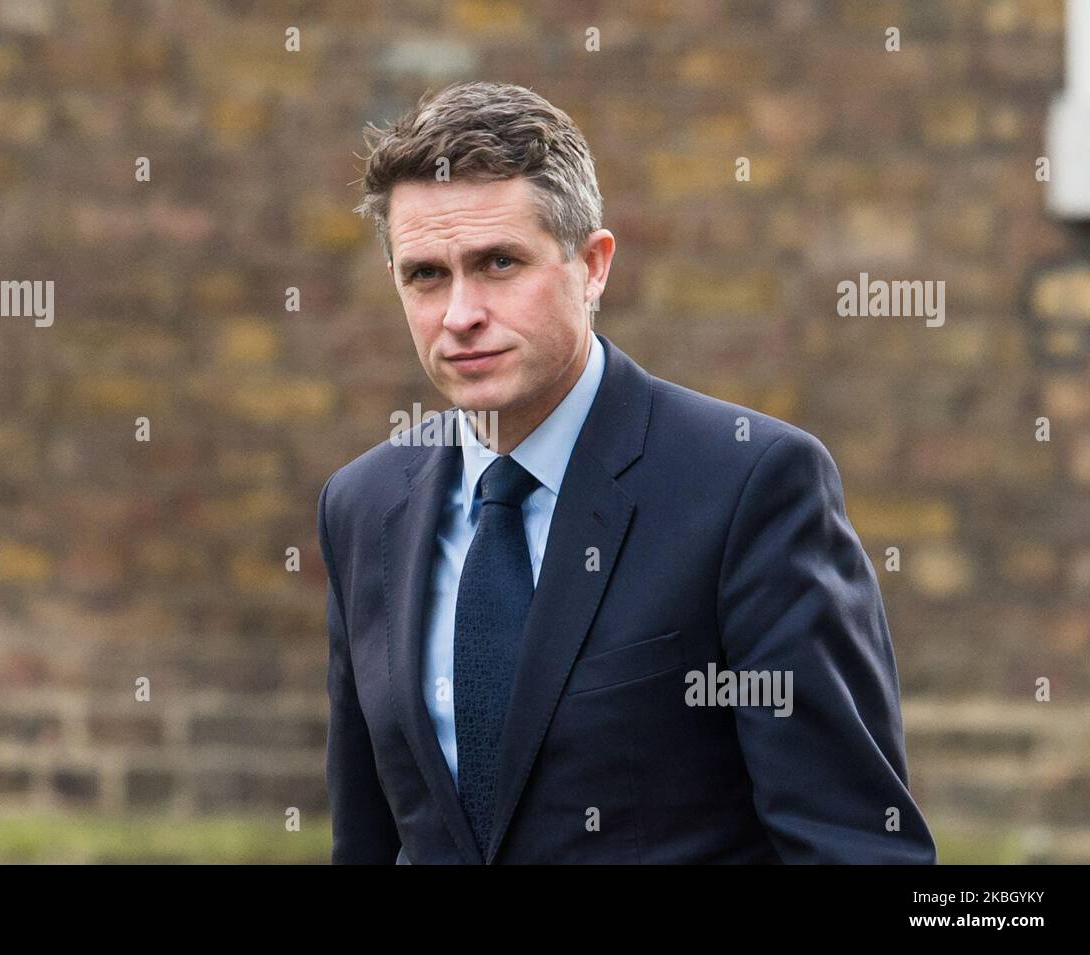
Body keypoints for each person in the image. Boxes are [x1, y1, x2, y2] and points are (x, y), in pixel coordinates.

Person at [317, 81, 937, 864]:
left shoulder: (750, 486)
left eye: (499, 262)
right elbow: (368, 841)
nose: (460, 312)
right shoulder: (363, 504)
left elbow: (852, 846)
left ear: (594, 265)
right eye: (426, 275)